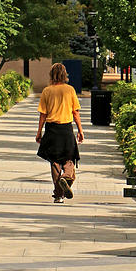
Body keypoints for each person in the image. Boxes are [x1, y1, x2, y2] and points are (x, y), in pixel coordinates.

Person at [36, 62, 85, 203]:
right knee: (69, 159)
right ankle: (66, 177)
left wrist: (39, 132)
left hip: (52, 130)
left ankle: (58, 195)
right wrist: (80, 131)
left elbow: (43, 114)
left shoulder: (47, 91)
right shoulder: (70, 90)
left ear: (51, 75)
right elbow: (75, 113)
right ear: (65, 75)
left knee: (55, 162)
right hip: (66, 129)